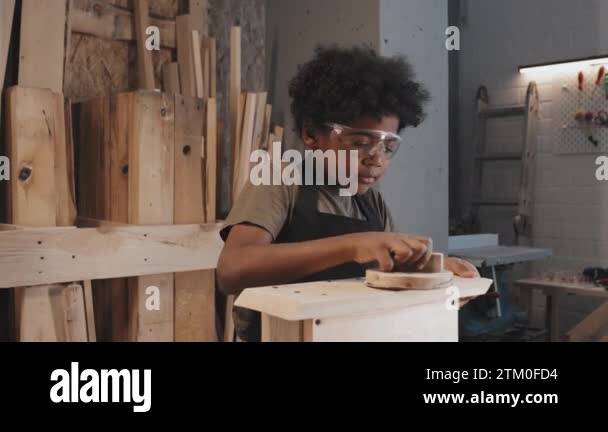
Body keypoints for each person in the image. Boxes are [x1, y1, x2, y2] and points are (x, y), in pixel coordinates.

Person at [217, 45, 478, 341]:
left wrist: (437, 272)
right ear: (311, 134)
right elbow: (232, 270)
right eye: (358, 143)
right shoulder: (281, 179)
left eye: (388, 147)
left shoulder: (370, 203)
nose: (376, 159)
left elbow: (391, 269)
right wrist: (352, 245)